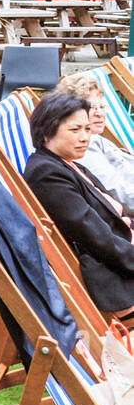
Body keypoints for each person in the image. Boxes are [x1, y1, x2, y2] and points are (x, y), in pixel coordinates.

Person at [23, 92, 134, 317]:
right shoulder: (47, 174)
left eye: (86, 128)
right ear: (46, 132)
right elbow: (95, 237)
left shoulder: (66, 164)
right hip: (111, 276)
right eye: (74, 130)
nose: (85, 137)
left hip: (121, 249)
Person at [56, 74, 134, 214]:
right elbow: (119, 195)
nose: (100, 113)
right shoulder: (83, 148)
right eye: (91, 108)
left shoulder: (96, 139)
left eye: (102, 107)